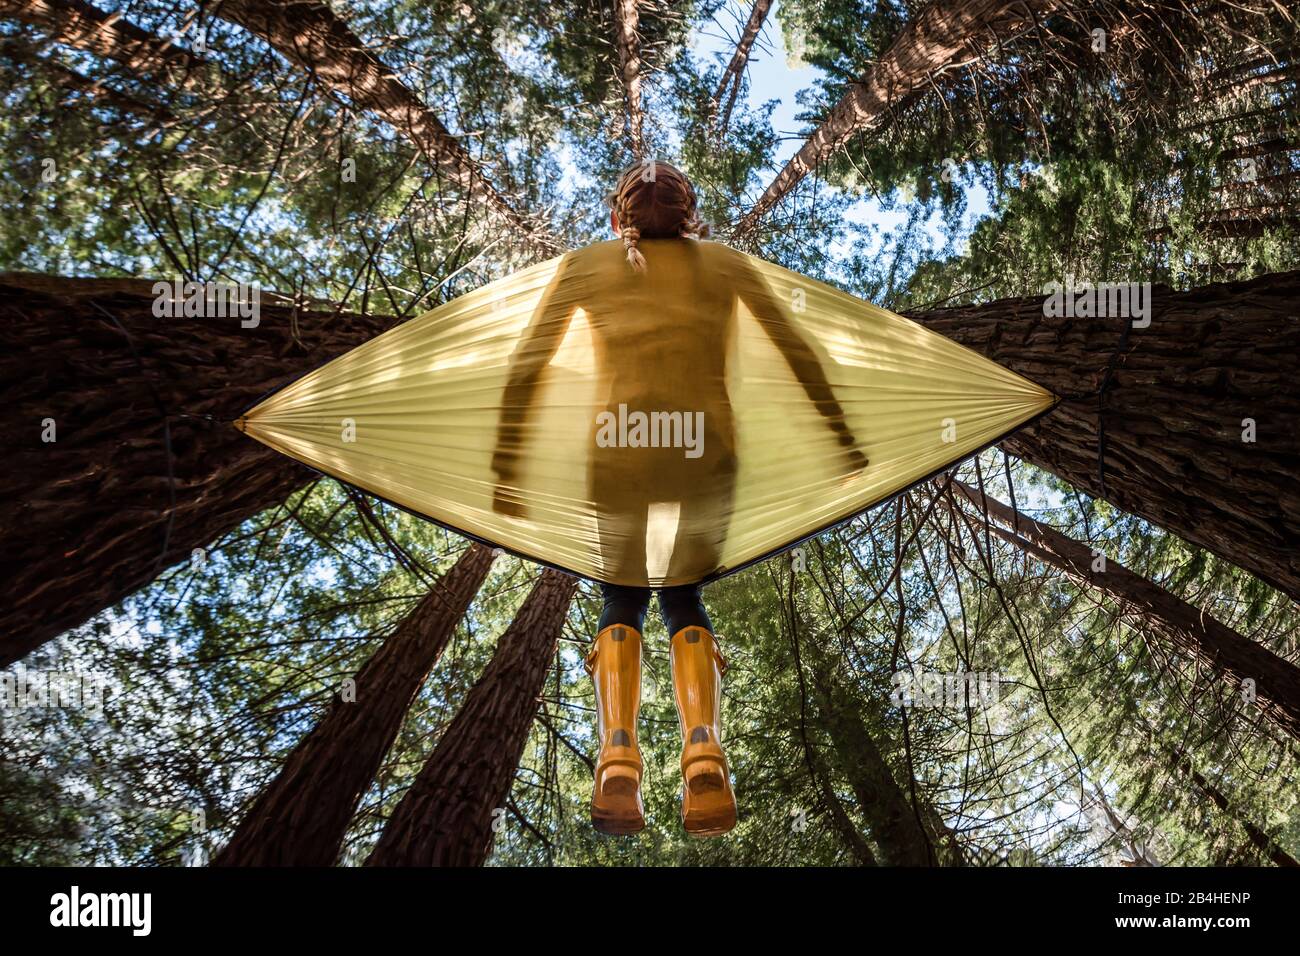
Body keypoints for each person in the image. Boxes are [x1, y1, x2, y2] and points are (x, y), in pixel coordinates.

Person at [490, 161, 864, 837]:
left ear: (618, 218)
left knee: (622, 595)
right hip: (707, 459)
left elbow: (525, 368)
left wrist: (504, 471)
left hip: (618, 455)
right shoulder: (726, 264)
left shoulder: (586, 266)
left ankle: (618, 753)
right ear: (694, 217)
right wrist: (843, 441)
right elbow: (797, 352)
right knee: (684, 596)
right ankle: (702, 748)